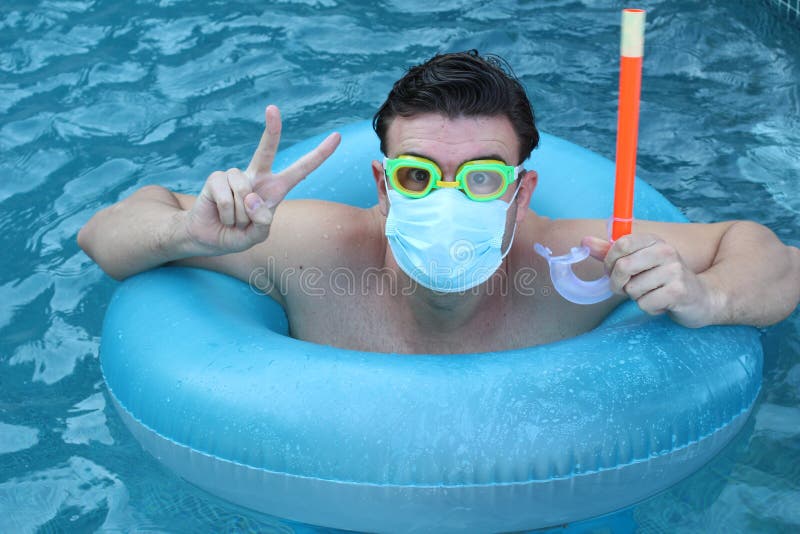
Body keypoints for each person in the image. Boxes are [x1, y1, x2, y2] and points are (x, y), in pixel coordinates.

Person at [78, 51, 800, 354]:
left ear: (522, 194)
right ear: (385, 186)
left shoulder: (577, 260)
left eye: (483, 177)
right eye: (420, 176)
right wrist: (186, 230)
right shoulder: (307, 249)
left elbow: (776, 255)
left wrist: (709, 297)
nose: (450, 198)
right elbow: (103, 234)